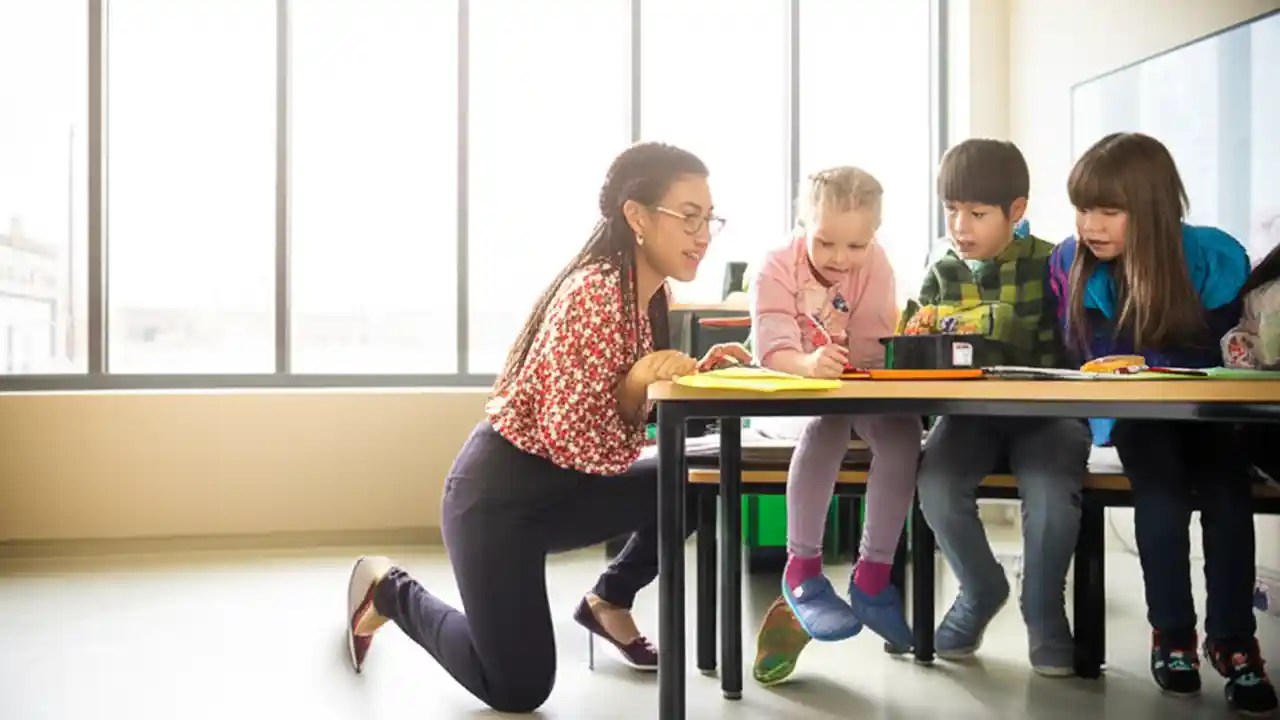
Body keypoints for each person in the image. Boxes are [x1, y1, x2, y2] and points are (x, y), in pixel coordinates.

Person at [342, 141, 750, 714]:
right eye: (688, 216)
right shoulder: (593, 294)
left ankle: (609, 601)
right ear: (637, 216)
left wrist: (690, 375)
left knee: (697, 476)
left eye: (709, 218)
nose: (703, 233)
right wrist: (637, 385)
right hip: (499, 501)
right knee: (519, 688)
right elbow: (573, 442)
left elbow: (619, 416)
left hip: (563, 494)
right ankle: (388, 588)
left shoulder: (649, 296)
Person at [1048, 131, 1276, 715]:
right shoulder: (1072, 263)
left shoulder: (1210, 255)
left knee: (1228, 496)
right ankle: (1172, 636)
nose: (1091, 224)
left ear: (1149, 207)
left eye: (1109, 210)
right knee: (1163, 497)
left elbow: (1230, 351)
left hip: (1210, 417)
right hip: (1140, 419)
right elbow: (1082, 359)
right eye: (1083, 208)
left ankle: (1233, 644)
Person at [915, 138, 1091, 677]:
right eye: (951, 211)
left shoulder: (1054, 260)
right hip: (969, 417)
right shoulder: (941, 268)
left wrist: (981, 321)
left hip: (1049, 415)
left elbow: (1071, 341)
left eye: (977, 213)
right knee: (936, 487)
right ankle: (980, 587)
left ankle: (1043, 609)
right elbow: (920, 342)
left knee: (1050, 495)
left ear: (1017, 211)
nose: (960, 226)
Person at [748, 166, 922, 685]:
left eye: (856, 245)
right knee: (825, 424)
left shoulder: (878, 264)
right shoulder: (775, 267)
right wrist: (809, 364)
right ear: (803, 222)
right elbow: (773, 350)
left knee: (903, 433)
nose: (840, 259)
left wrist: (849, 368)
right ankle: (801, 568)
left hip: (855, 384)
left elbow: (872, 347)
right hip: (793, 390)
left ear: (874, 235)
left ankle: (873, 576)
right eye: (825, 242)